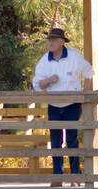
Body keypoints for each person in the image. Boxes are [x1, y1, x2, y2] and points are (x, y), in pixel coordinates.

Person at [31, 27, 92, 180]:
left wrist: (85, 96)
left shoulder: (74, 56)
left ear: (61, 42)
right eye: (49, 40)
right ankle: (58, 176)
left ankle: (75, 176)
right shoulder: (45, 60)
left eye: (53, 40)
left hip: (72, 104)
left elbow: (89, 73)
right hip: (54, 105)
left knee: (72, 139)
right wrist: (48, 80)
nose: (50, 43)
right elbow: (37, 84)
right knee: (55, 140)